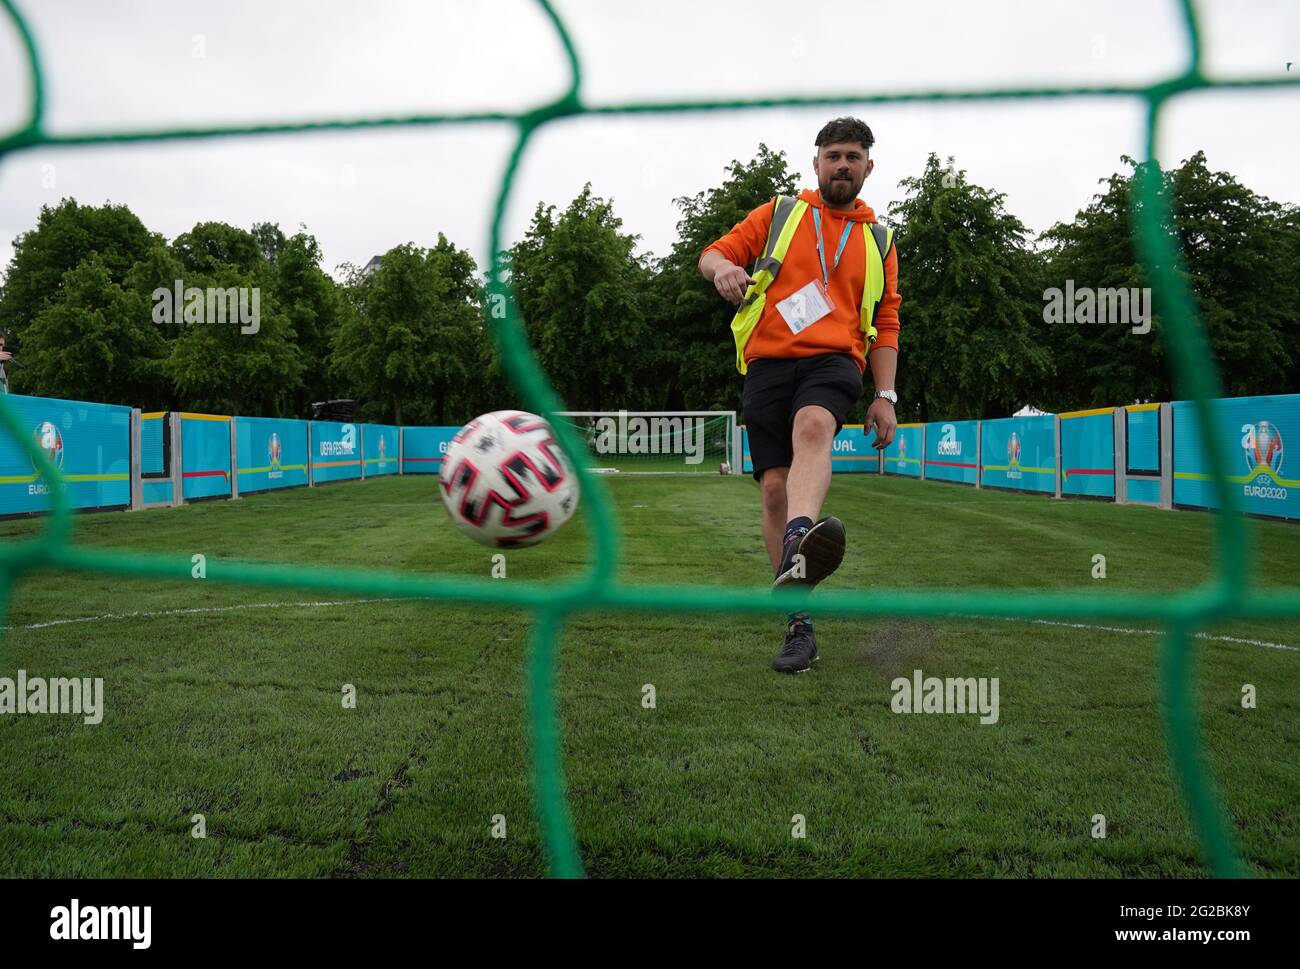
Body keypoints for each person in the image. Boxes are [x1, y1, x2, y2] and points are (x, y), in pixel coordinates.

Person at [698, 116, 902, 673]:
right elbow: (713, 253)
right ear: (815, 164)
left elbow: (886, 323)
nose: (842, 164)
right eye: (833, 155)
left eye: (852, 156)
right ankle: (798, 626)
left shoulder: (879, 241)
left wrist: (884, 394)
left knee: (814, 426)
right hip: (767, 363)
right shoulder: (781, 213)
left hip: (835, 361)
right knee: (771, 491)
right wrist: (723, 271)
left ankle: (797, 540)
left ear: (868, 167)